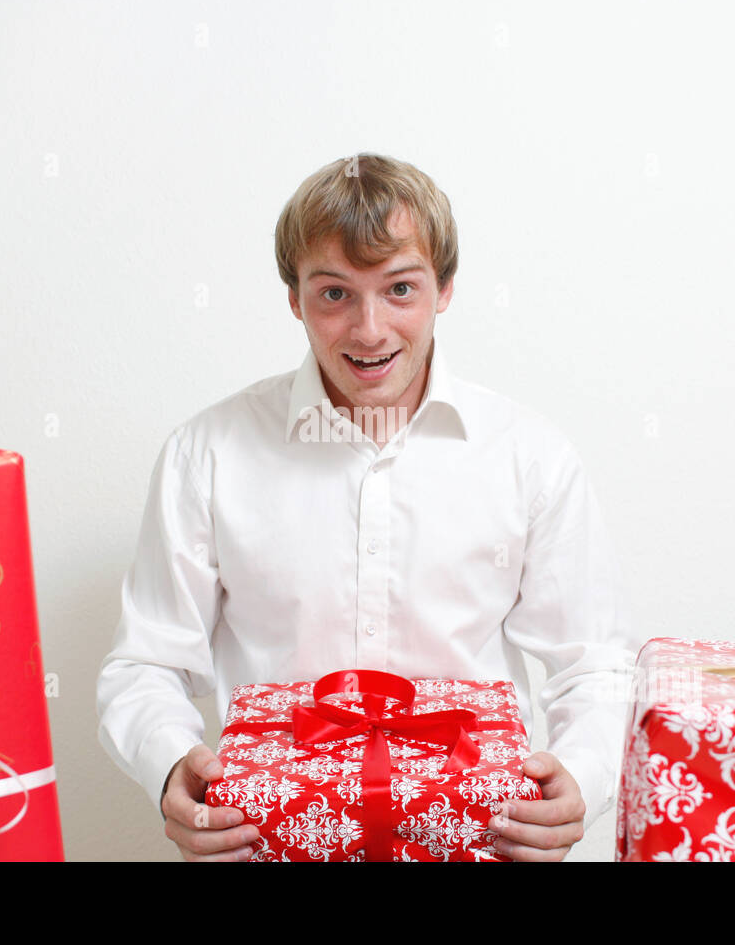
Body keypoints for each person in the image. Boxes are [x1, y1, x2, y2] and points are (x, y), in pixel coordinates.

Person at [97, 152, 640, 861]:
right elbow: (144, 664)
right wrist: (171, 762)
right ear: (294, 298)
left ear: (444, 289)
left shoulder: (529, 456)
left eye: (400, 289)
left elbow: (594, 662)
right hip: (272, 845)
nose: (370, 329)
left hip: (483, 844)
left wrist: (583, 777)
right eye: (334, 294)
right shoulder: (207, 453)